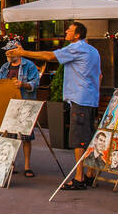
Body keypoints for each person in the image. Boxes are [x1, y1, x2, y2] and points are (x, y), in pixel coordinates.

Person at [9, 22, 100, 191]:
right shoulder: (93, 50)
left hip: (79, 99)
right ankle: (89, 173)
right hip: (90, 98)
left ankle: (79, 177)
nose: (66, 31)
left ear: (77, 35)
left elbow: (49, 56)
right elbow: (99, 76)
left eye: (70, 30)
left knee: (78, 140)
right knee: (88, 137)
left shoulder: (77, 48)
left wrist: (22, 52)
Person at [0, 39, 41, 177]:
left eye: (10, 51)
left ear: (18, 51)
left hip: (25, 104)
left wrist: (23, 84)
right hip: (9, 105)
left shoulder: (29, 66)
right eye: (6, 51)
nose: (7, 53)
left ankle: (27, 166)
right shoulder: (4, 67)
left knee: (26, 136)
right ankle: (10, 163)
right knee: (9, 135)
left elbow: (35, 83)